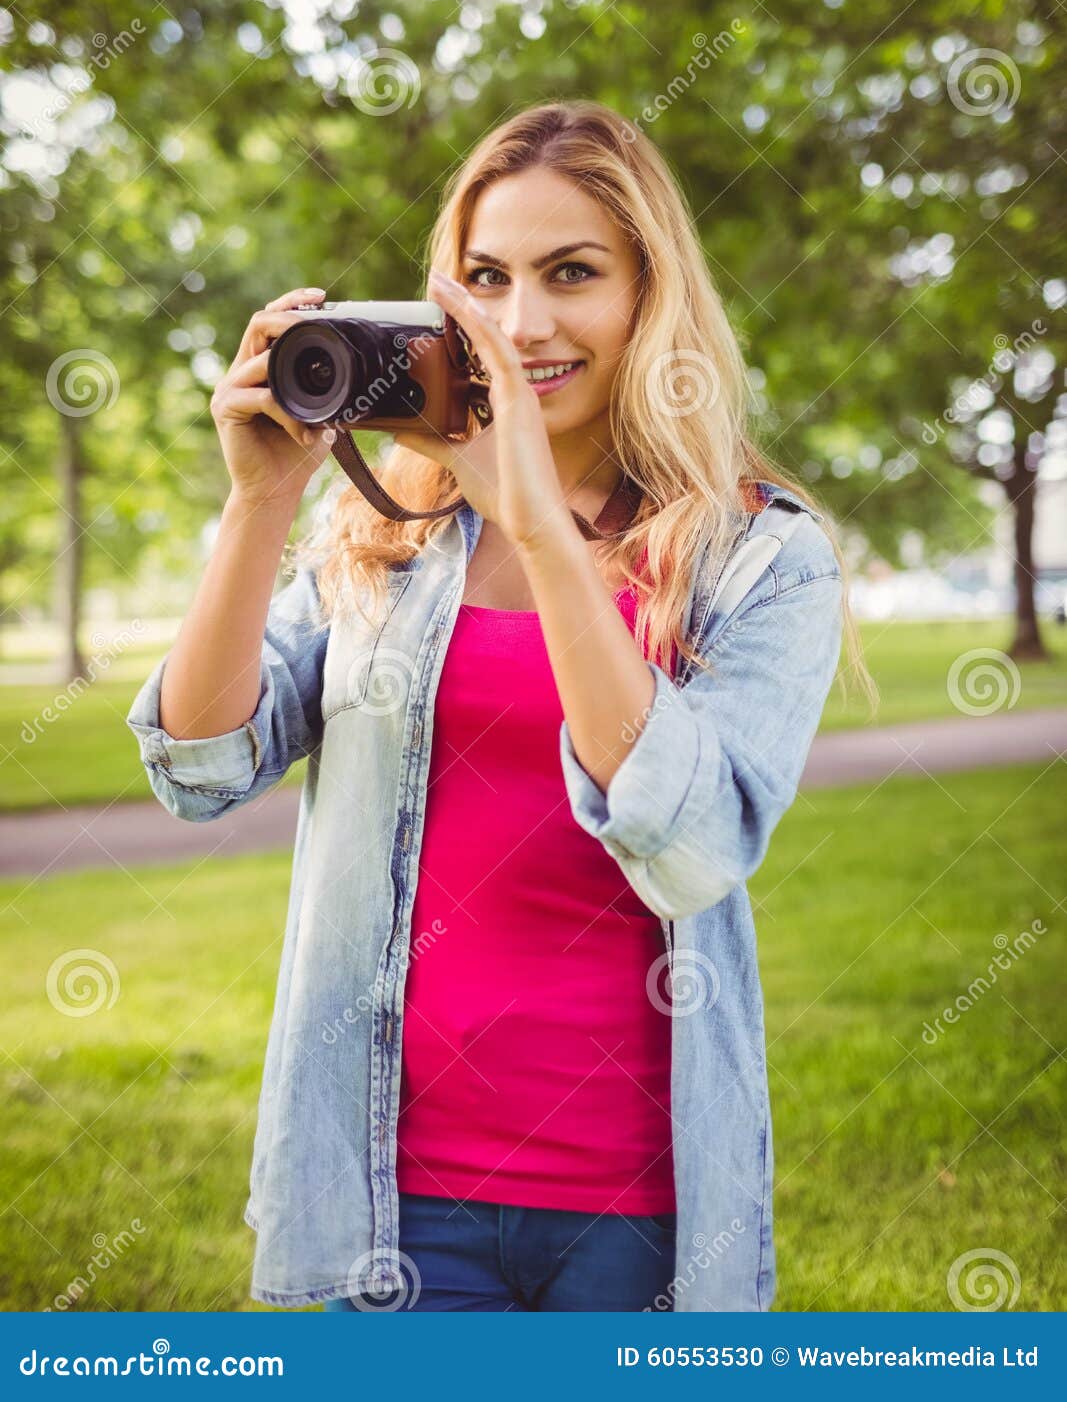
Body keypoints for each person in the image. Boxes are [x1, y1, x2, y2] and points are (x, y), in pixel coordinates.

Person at [127, 101, 874, 1312]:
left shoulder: (759, 559)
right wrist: (259, 504)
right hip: (386, 1194)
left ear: (647, 294)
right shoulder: (388, 532)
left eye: (570, 273)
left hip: (638, 1207)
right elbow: (201, 768)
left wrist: (538, 521)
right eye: (485, 277)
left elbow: (689, 848)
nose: (522, 324)